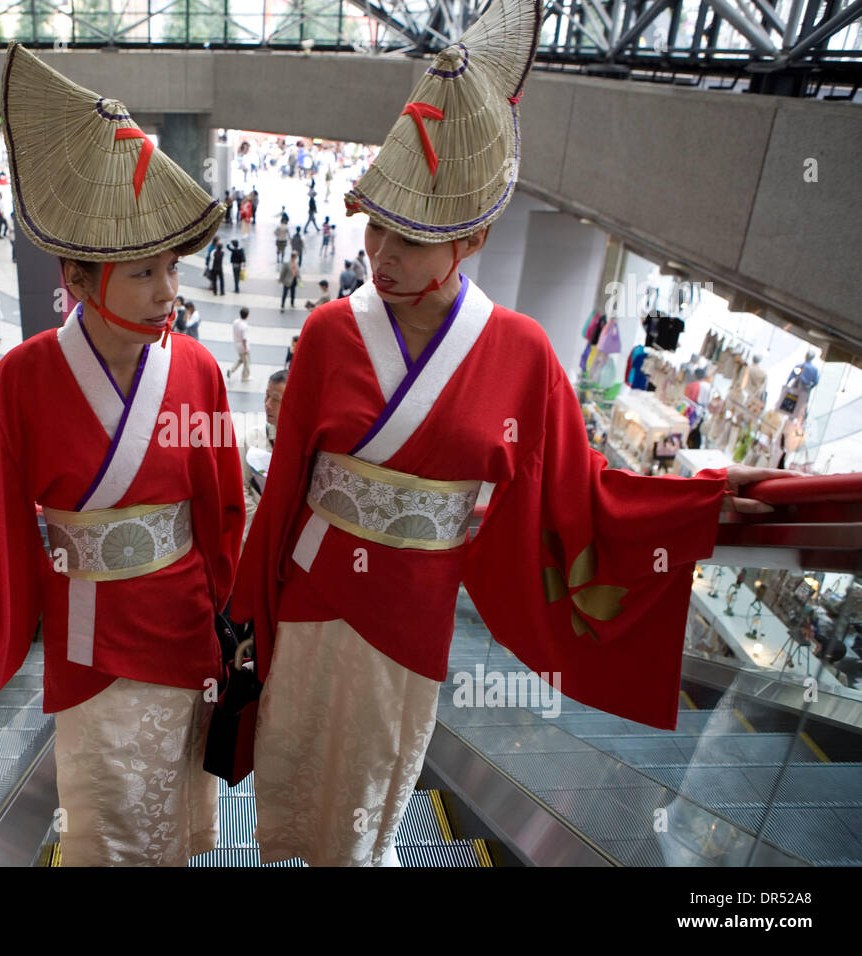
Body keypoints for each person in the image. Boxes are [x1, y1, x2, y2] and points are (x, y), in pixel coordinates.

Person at [232, 0, 798, 868]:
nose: (382, 255)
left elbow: (580, 495)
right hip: (311, 600)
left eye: (413, 238)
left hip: (412, 617)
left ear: (476, 237)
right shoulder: (327, 334)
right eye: (377, 224)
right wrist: (244, 624)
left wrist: (701, 499)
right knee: (294, 781)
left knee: (364, 811)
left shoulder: (524, 353)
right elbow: (279, 502)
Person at [0, 43, 242, 867]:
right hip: (90, 640)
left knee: (171, 818)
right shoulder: (26, 377)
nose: (169, 293)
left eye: (170, 268)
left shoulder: (200, 370)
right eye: (143, 273)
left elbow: (223, 513)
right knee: (106, 820)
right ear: (77, 275)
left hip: (183, 635)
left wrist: (236, 621)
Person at [241, 369, 286, 543]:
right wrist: (260, 526)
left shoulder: (306, 447)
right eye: (266, 396)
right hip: (254, 537)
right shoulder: (250, 440)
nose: (267, 404)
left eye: (275, 399)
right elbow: (240, 489)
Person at [227, 307, 251, 382]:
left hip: (237, 344)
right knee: (247, 362)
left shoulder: (236, 321)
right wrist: (246, 348)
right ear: (247, 315)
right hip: (242, 347)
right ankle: (245, 377)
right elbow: (244, 339)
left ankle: (231, 370)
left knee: (242, 360)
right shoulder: (244, 326)